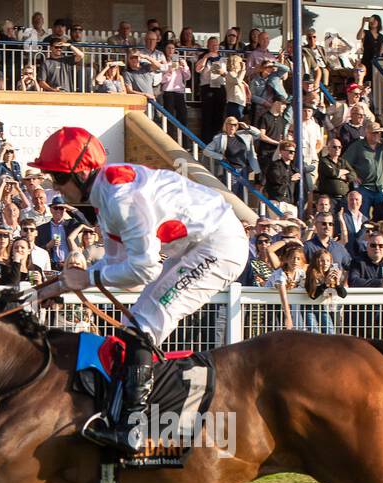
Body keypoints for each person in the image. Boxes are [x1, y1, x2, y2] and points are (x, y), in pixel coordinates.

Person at [30, 127, 248, 455]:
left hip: (219, 245)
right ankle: (124, 416)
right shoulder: (105, 199)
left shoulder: (120, 199)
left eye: (58, 178)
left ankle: (132, 429)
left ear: (82, 171)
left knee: (146, 321)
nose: (55, 187)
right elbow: (124, 273)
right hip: (198, 246)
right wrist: (62, 283)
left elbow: (144, 270)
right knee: (135, 324)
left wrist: (86, 278)